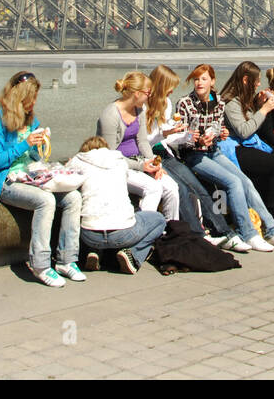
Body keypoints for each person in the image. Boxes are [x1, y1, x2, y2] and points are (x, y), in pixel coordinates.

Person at [0, 71, 85, 288]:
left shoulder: (31, 120)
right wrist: (25, 144)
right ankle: (41, 264)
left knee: (73, 197)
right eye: (31, 98)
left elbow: (33, 157)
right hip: (5, 181)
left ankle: (67, 259)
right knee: (46, 201)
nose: (34, 102)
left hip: (32, 176)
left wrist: (40, 145)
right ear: (19, 97)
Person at [176, 64, 274, 251]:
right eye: (196, 79)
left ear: (212, 81)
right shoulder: (185, 103)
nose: (199, 83)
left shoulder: (219, 102)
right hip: (194, 154)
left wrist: (220, 133)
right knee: (233, 182)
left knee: (246, 182)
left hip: (213, 151)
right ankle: (248, 233)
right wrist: (193, 139)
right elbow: (180, 138)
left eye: (203, 79)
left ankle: (272, 229)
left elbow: (219, 128)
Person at [143, 64, 230, 240]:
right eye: (170, 88)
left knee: (195, 187)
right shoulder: (143, 106)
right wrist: (166, 133)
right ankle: (197, 234)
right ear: (161, 85)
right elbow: (144, 139)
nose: (171, 92)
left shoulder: (166, 103)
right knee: (182, 188)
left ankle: (222, 230)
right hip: (150, 155)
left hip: (164, 151)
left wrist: (187, 136)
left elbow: (167, 137)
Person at [219, 62, 274, 246]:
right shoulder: (231, 101)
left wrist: (259, 105)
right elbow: (244, 131)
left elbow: (252, 121)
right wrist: (264, 109)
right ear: (246, 80)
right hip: (235, 148)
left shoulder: (244, 99)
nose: (258, 85)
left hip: (247, 144)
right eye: (256, 81)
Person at [69, 137, 167, 274]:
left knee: (90, 212)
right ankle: (133, 255)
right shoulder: (119, 160)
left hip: (90, 235)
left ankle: (93, 251)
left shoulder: (78, 160)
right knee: (159, 220)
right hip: (123, 234)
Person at [97, 72, 181, 222]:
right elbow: (109, 156)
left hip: (140, 162)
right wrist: (141, 166)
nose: (149, 97)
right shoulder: (110, 115)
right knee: (153, 188)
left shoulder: (139, 110)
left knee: (172, 187)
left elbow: (142, 141)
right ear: (136, 94)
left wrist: (154, 163)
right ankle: (142, 231)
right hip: (120, 166)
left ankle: (172, 231)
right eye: (148, 93)